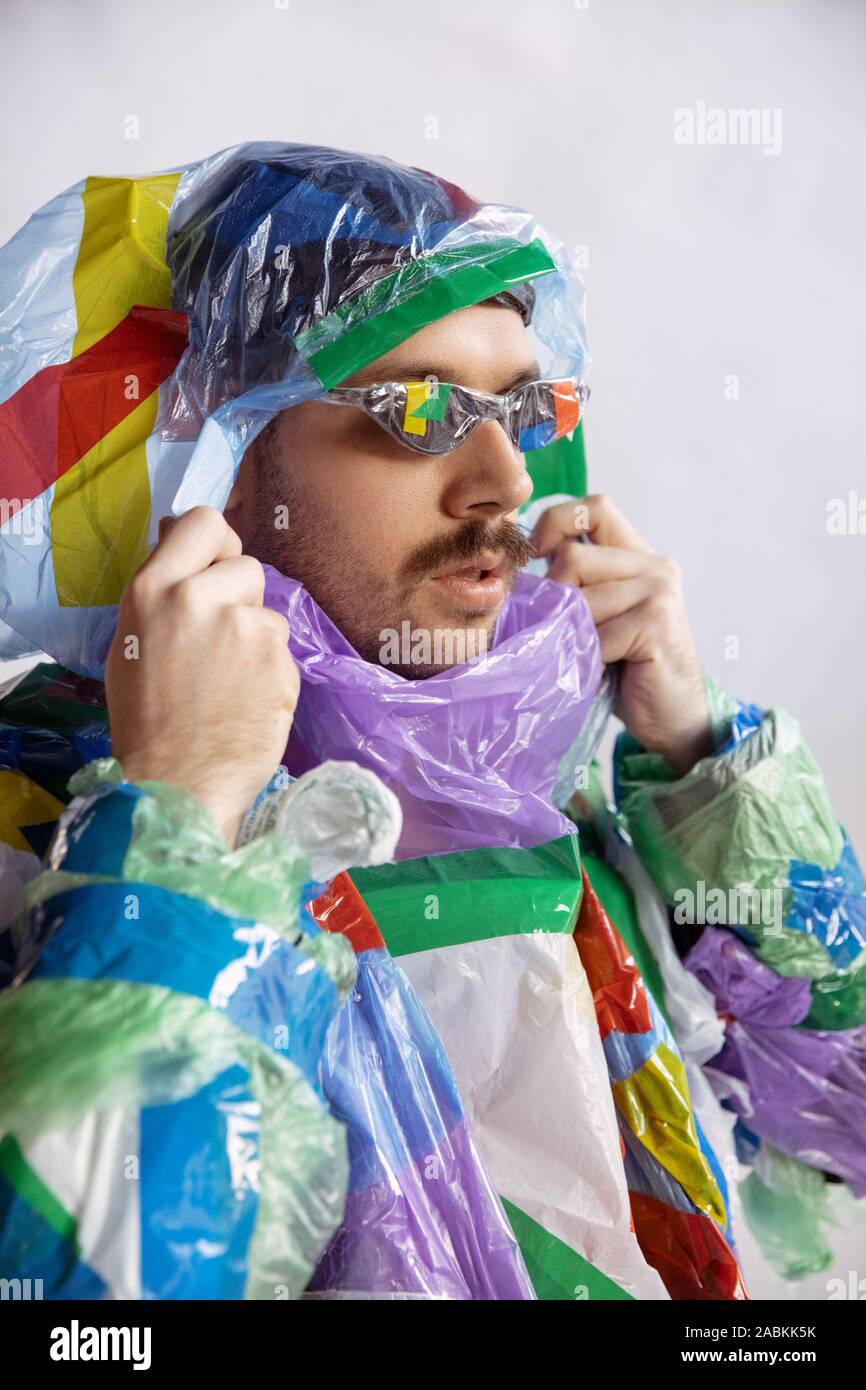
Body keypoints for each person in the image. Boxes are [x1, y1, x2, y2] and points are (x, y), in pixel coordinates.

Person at [0, 143, 863, 1301]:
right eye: (416, 408)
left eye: (522, 403)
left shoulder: (545, 801)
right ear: (202, 459)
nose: (506, 477)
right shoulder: (39, 845)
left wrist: (704, 765)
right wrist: (181, 824)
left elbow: (842, 1125)